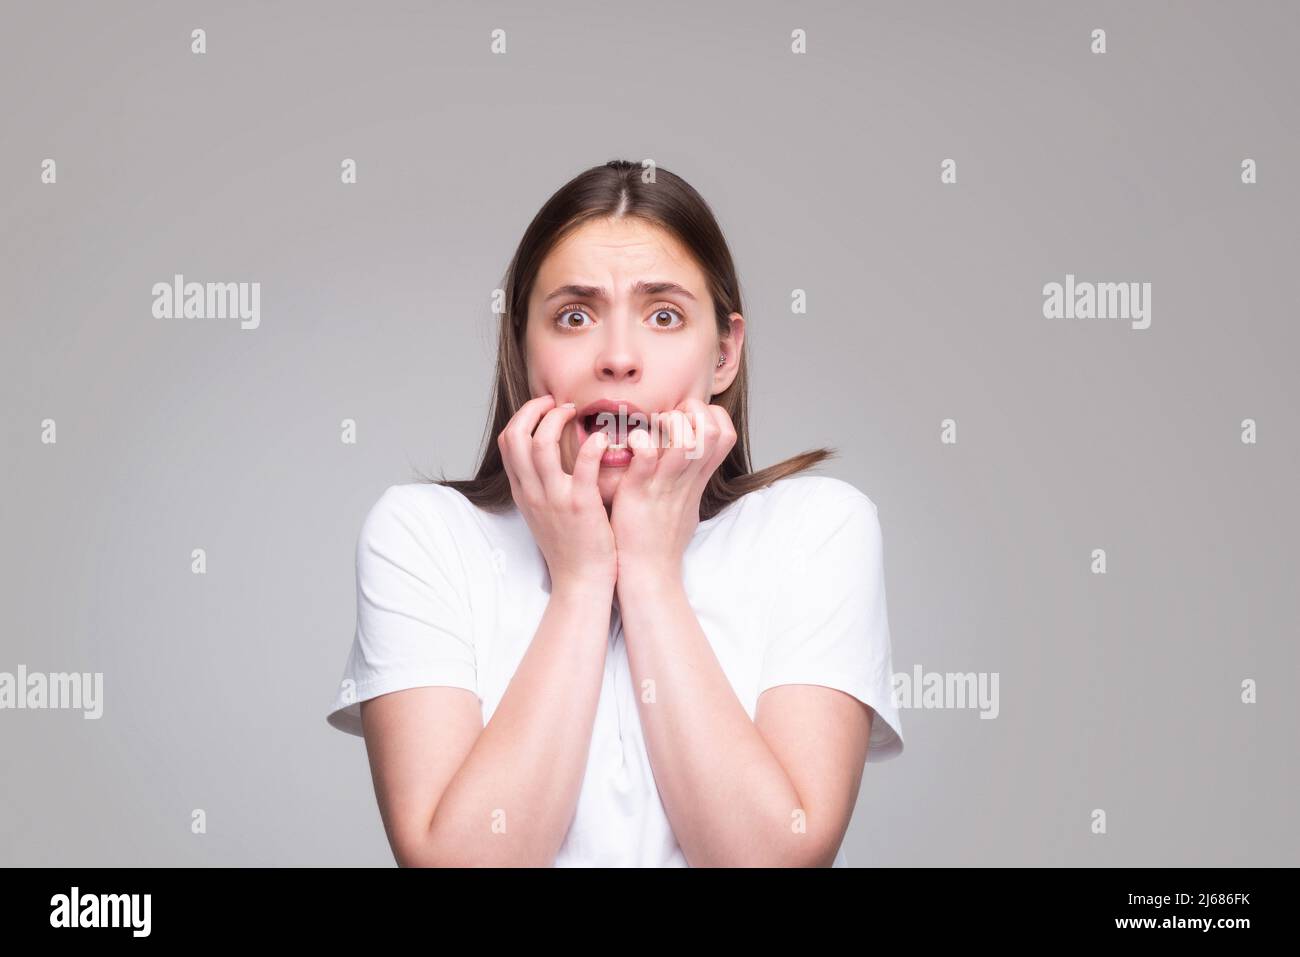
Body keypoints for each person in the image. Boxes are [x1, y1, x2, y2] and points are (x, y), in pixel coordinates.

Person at [325, 159, 904, 867]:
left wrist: (654, 572)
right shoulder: (423, 535)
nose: (619, 357)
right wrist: (581, 578)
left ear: (723, 353)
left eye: (664, 315)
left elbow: (769, 859)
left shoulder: (817, 529)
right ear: (521, 347)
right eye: (574, 316)